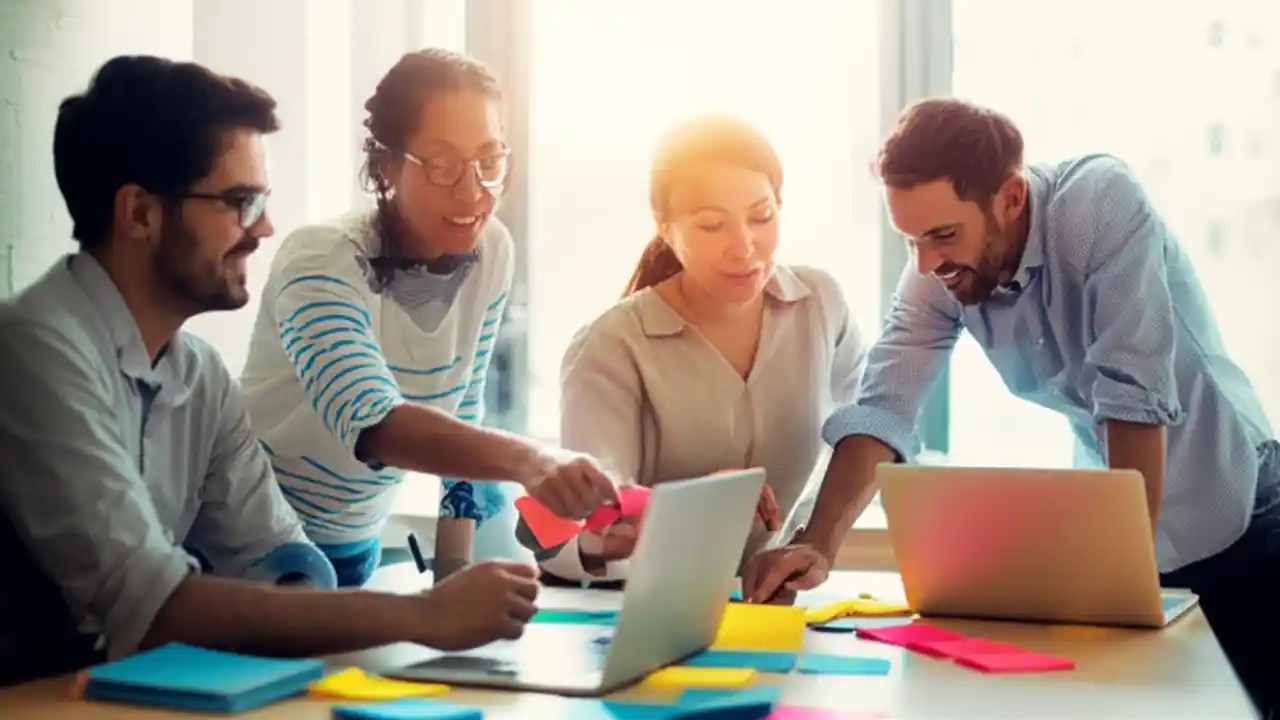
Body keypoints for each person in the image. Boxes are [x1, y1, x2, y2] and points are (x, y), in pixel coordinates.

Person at [0, 56, 543, 687]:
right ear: (140, 214)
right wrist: (421, 614)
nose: (264, 228)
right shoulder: (34, 349)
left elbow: (278, 556)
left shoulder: (198, 371)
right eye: (240, 202)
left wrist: (413, 609)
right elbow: (152, 606)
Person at [742, 97, 1280, 716]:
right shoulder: (937, 269)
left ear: (1011, 198)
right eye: (910, 239)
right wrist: (819, 543)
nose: (925, 263)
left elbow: (1131, 394)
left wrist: (1113, 584)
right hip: (1131, 531)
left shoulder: (1099, 206)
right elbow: (884, 406)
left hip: (1239, 509)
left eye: (943, 235)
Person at [238, 48, 618, 588]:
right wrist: (533, 461)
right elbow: (376, 424)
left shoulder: (492, 253)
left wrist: (452, 577)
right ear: (388, 165)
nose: (471, 192)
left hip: (354, 551)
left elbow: (464, 417)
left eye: (489, 161)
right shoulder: (320, 259)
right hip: (250, 548)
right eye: (441, 165)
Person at [518, 116, 864, 586]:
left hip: (766, 605)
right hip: (637, 605)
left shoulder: (820, 305)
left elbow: (862, 434)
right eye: (712, 225)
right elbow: (582, 519)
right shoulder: (614, 344)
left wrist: (814, 540)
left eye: (761, 217)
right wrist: (688, 507)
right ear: (665, 227)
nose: (744, 247)